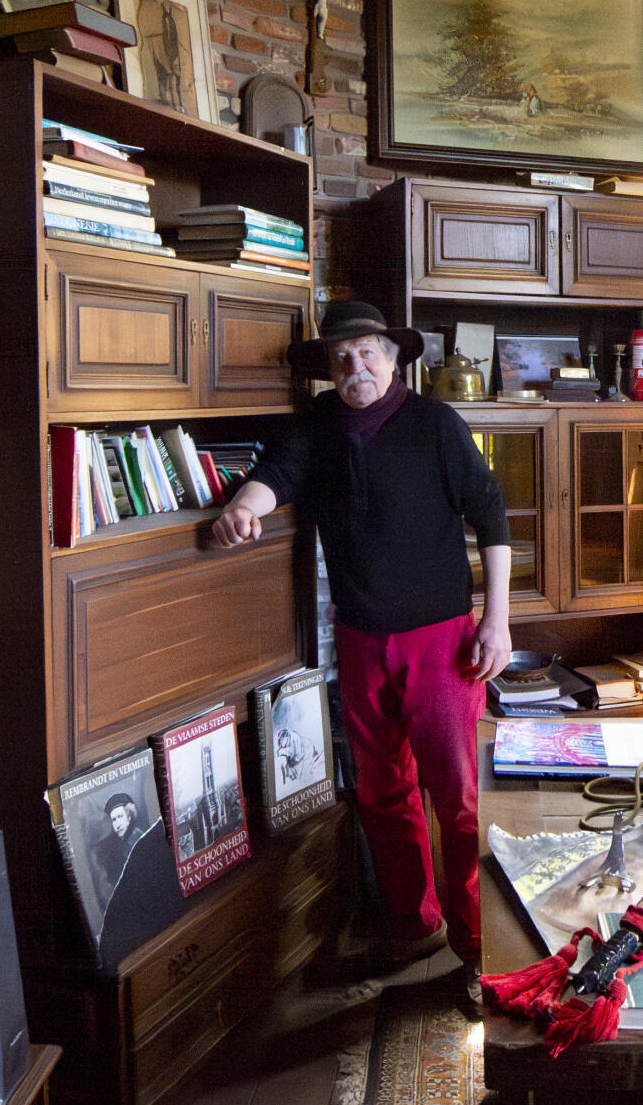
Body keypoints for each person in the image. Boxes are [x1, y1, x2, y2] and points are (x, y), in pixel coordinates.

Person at [212, 302, 512, 991]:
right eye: (342, 358)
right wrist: (243, 508)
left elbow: (490, 512)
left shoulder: (435, 422)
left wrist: (497, 620)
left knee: (459, 799)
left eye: (368, 353)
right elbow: (276, 475)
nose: (356, 367)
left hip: (443, 642)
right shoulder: (316, 425)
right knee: (383, 793)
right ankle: (414, 923)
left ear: (393, 359)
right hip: (360, 640)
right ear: (329, 369)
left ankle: (478, 946)